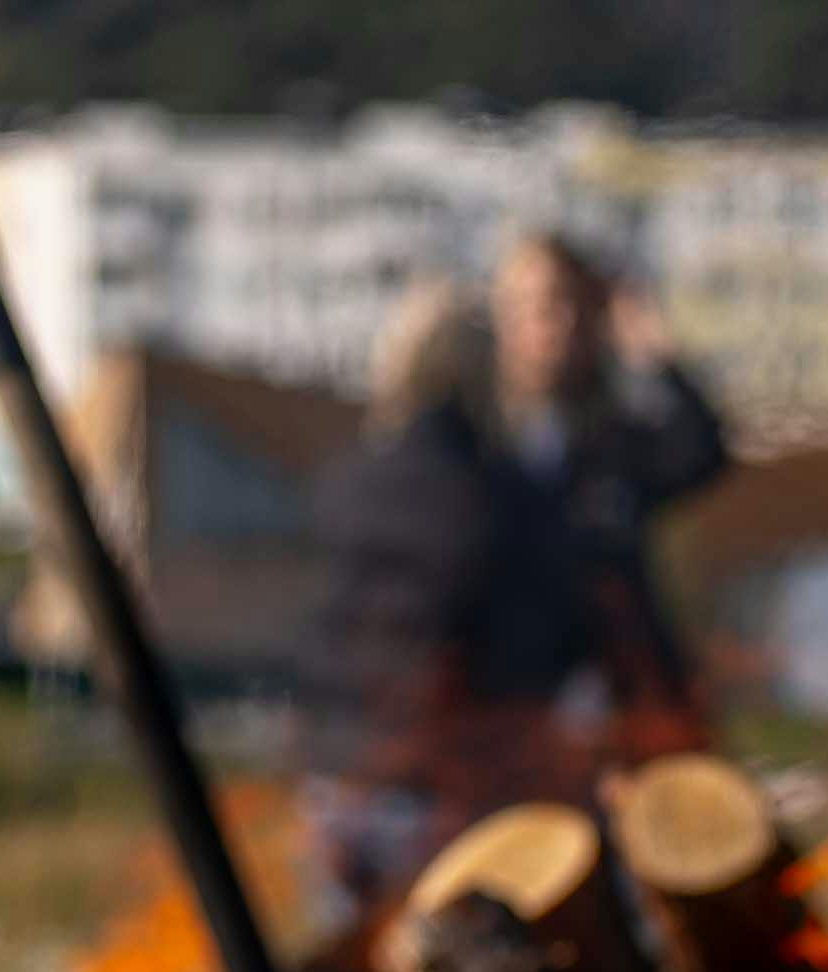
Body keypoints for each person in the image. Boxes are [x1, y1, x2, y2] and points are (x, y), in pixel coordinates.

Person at [302, 278, 526, 899]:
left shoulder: (347, 481)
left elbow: (321, 636)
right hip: (440, 784)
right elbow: (518, 650)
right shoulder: (501, 495)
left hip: (339, 774)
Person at [486, 229, 731, 747]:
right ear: (502, 317)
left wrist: (653, 349)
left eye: (577, 305)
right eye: (543, 306)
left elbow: (700, 454)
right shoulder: (476, 442)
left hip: (627, 704)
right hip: (514, 712)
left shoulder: (611, 441)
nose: (562, 325)